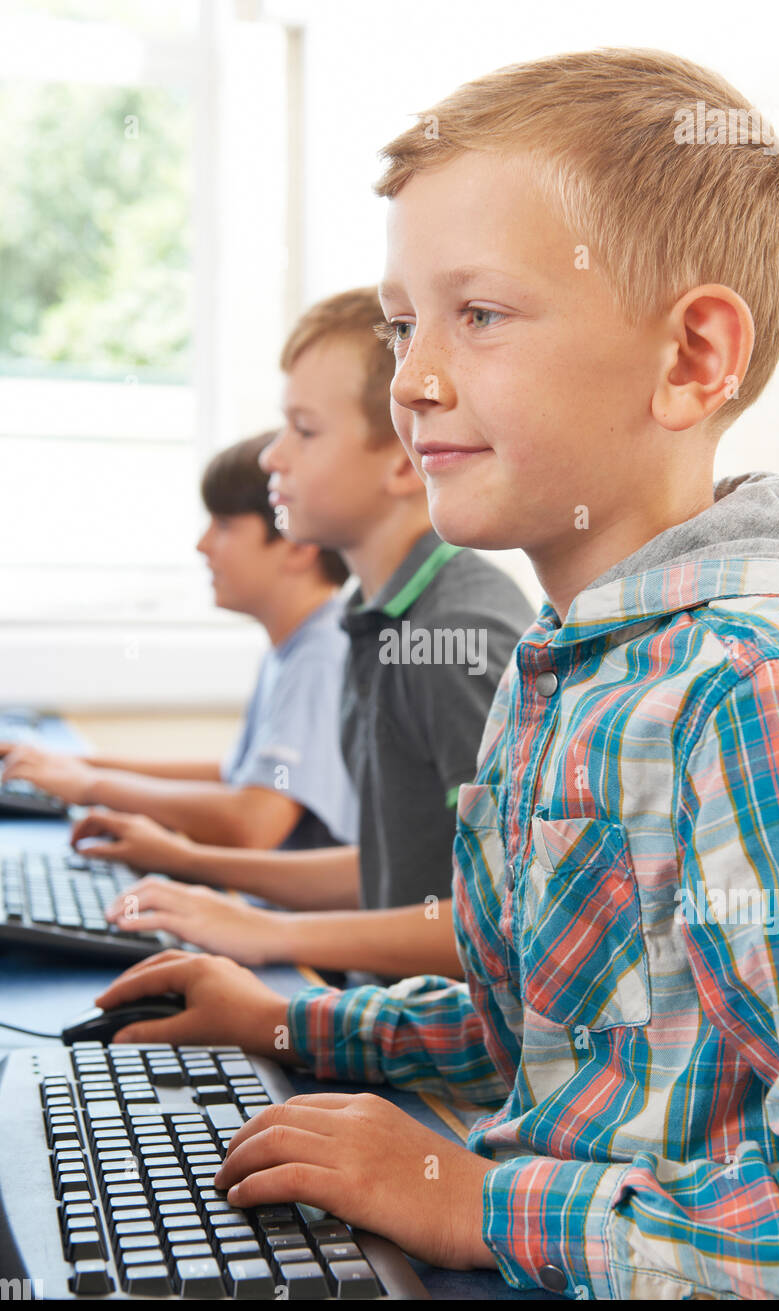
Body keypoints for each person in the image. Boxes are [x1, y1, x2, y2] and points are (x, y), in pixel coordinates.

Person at [95, 47, 779, 1298]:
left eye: (481, 315)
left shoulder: (755, 691)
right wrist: (283, 1019)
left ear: (689, 359)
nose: (411, 380)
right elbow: (544, 1037)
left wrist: (467, 1196)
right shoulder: (565, 665)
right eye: (404, 325)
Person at [72, 288, 534, 977]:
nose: (272, 459)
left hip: (442, 1073)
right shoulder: (372, 617)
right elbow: (397, 869)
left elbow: (500, 924)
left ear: (405, 458)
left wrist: (269, 934)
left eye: (305, 430)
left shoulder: (455, 635)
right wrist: (189, 864)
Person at [1, 435, 358, 851]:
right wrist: (72, 766)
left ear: (297, 545)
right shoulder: (294, 644)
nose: (202, 544)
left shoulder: (322, 654)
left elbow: (254, 822)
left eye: (223, 525)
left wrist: (91, 786)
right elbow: (235, 776)